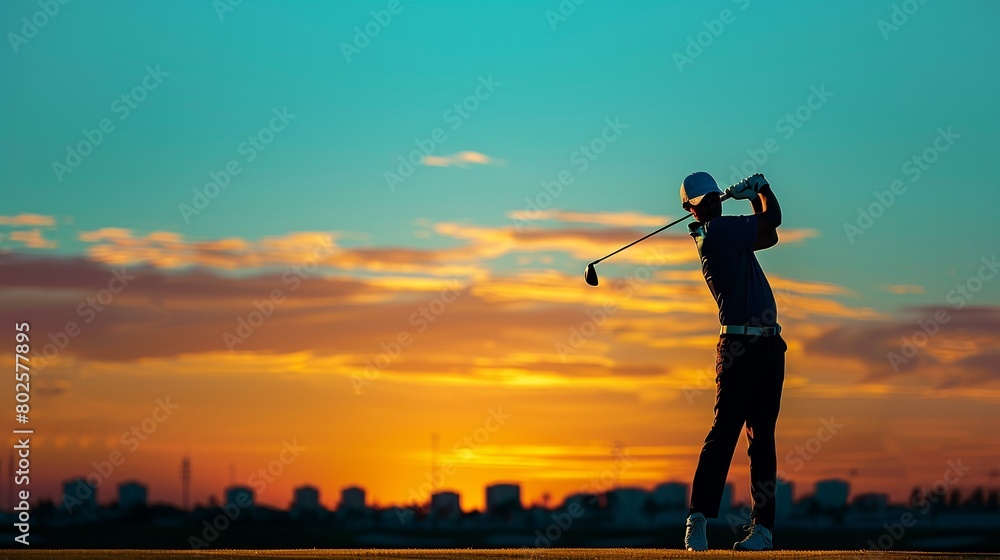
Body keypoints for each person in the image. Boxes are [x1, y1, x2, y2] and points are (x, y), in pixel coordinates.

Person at [679, 171, 786, 551]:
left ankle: (762, 530)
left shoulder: (726, 234)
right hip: (740, 347)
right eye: (703, 202)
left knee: (762, 438)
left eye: (714, 197)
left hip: (769, 346)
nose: (712, 203)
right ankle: (697, 518)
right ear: (690, 209)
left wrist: (752, 200)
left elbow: (769, 235)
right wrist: (761, 189)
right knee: (725, 433)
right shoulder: (717, 232)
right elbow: (774, 219)